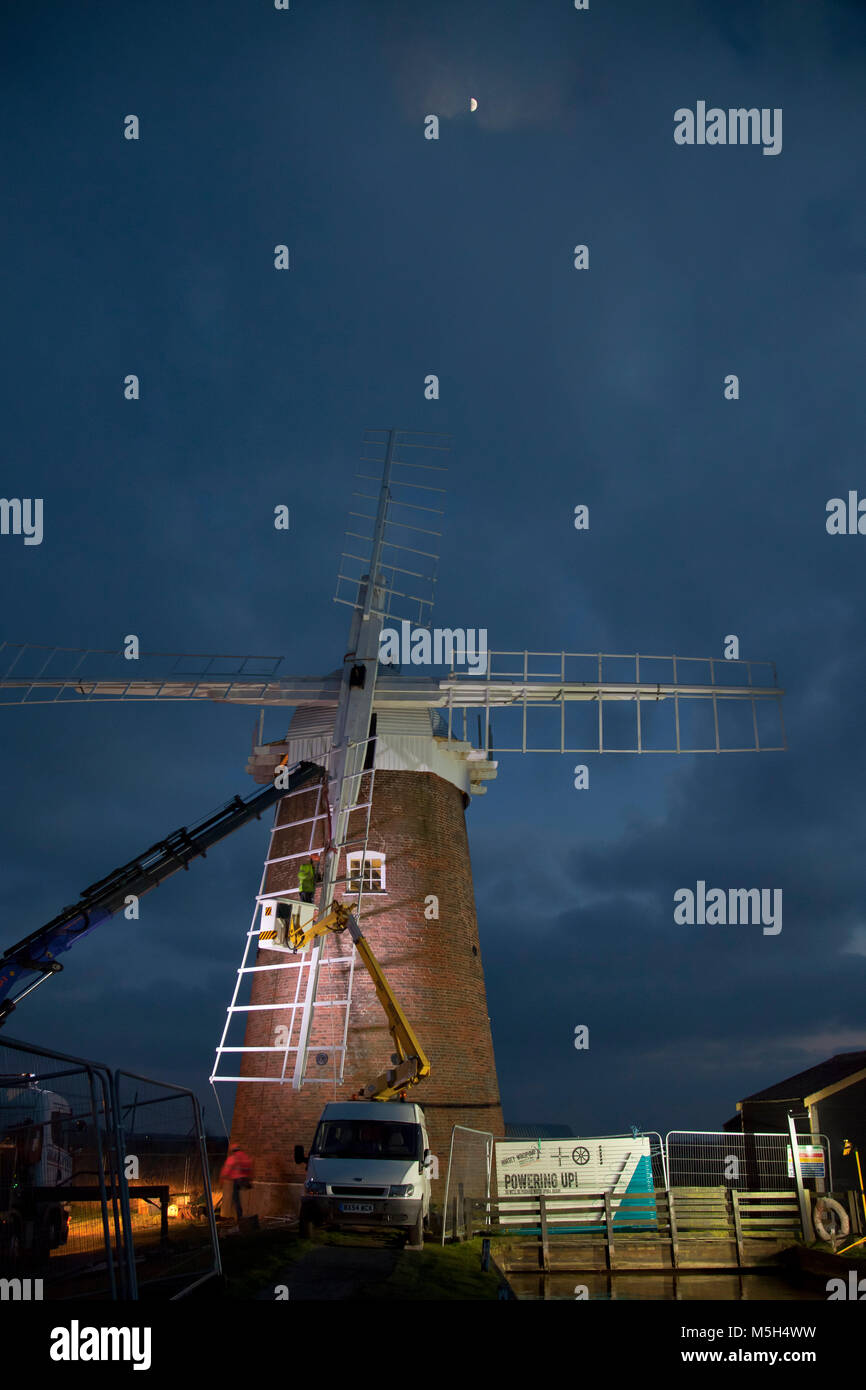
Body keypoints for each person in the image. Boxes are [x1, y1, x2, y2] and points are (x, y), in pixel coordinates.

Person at [220, 1144, 253, 1222]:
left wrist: (222, 1178)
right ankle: (239, 1215)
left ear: (233, 1150)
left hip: (236, 1180)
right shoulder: (244, 1156)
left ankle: (239, 1216)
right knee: (238, 1197)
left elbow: (227, 1169)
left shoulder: (233, 1158)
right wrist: (249, 1177)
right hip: (244, 1179)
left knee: (236, 1198)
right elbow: (249, 1165)